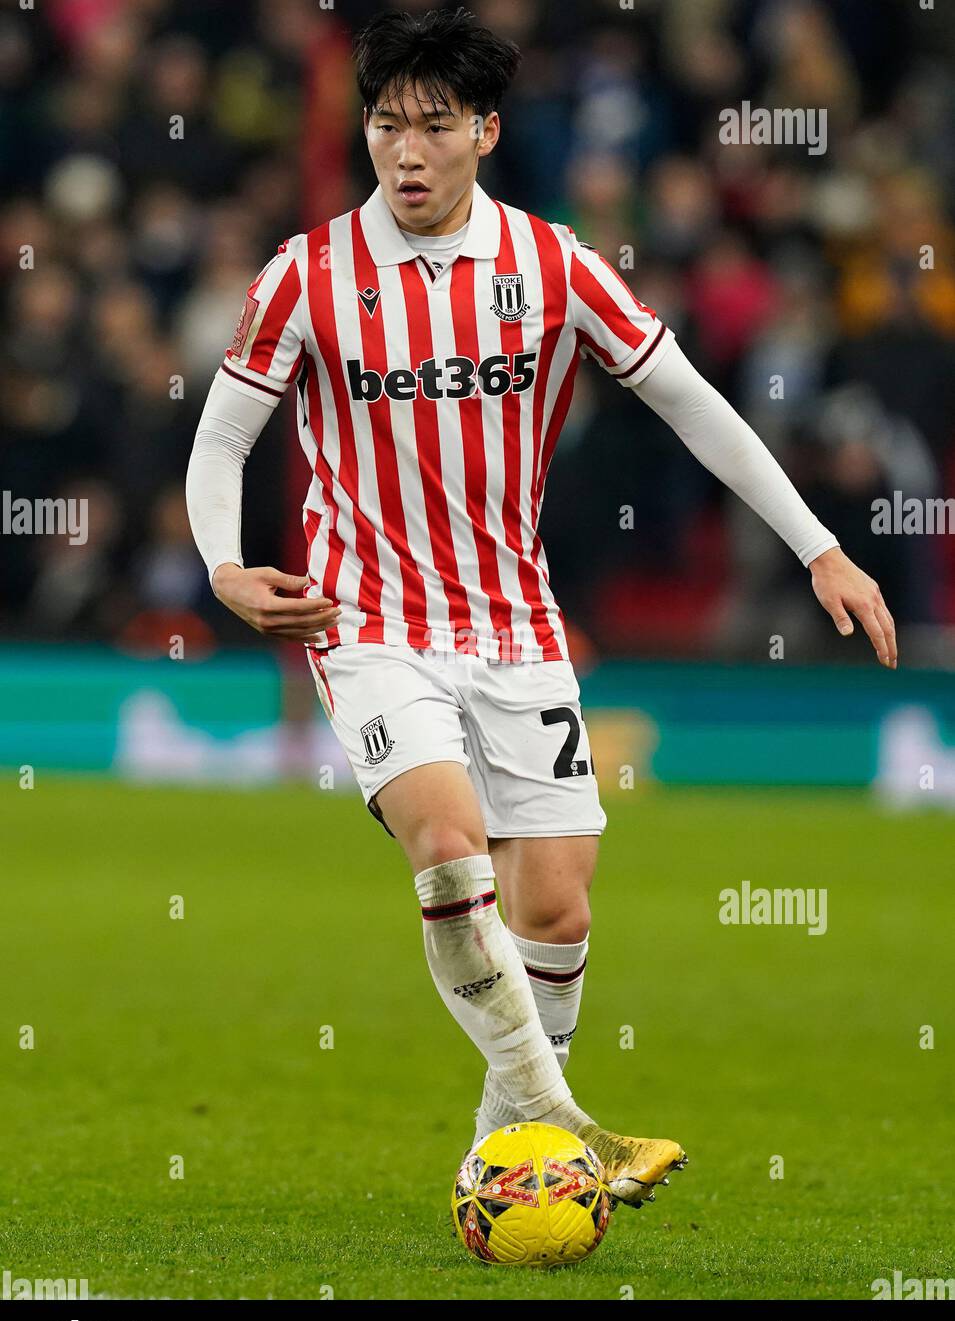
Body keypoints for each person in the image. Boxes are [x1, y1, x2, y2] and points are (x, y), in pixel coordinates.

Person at [185, 8, 896, 1208]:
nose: (406, 151)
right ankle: (571, 1127)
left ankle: (503, 1143)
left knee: (556, 902)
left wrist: (820, 547)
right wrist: (221, 564)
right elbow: (221, 437)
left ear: (486, 132)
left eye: (435, 125)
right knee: (449, 845)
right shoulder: (305, 275)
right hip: (366, 619)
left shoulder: (553, 263)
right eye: (386, 124)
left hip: (514, 622)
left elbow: (690, 402)